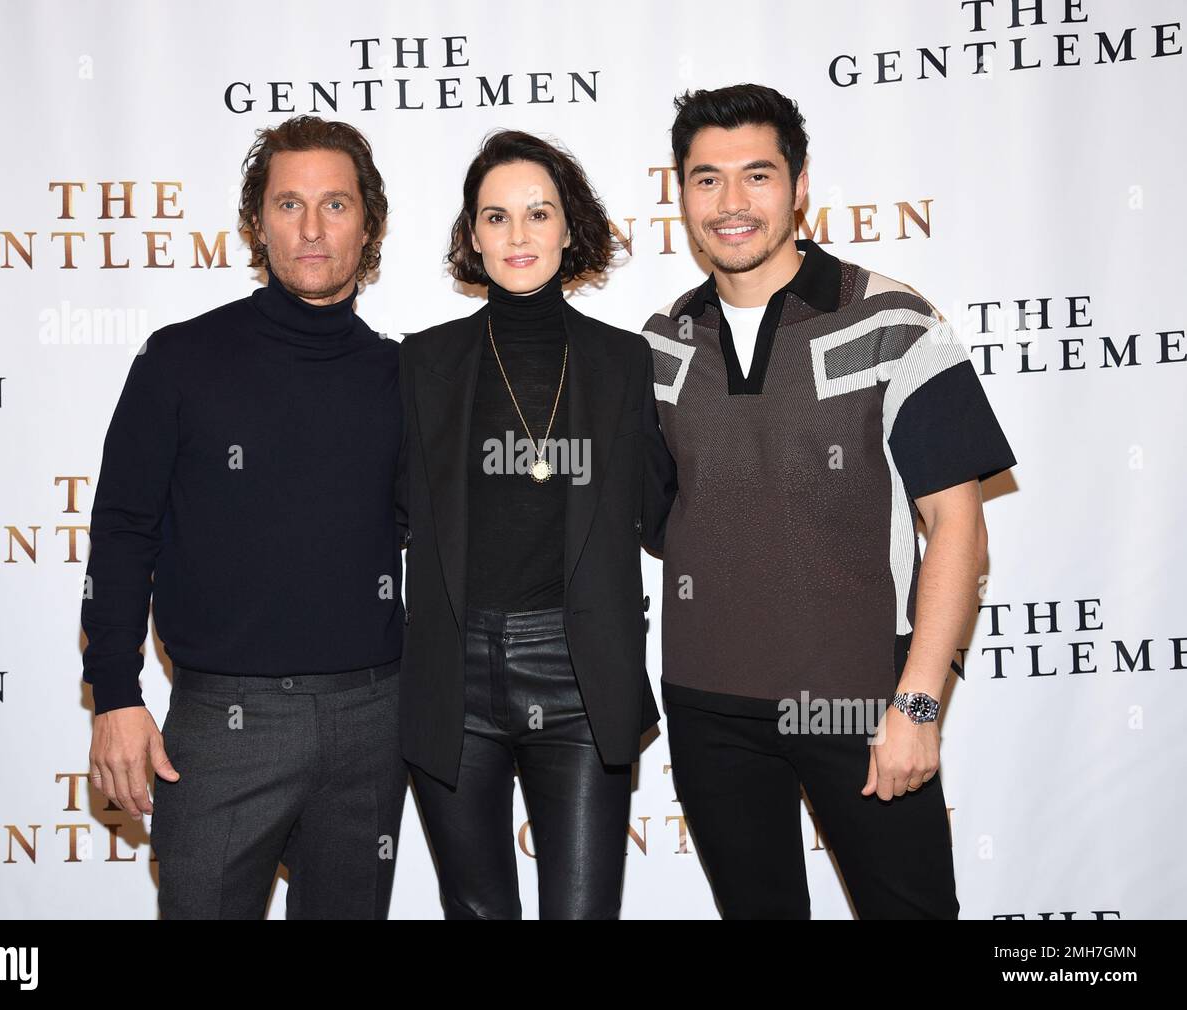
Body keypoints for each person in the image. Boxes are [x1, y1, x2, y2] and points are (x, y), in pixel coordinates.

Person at [642, 84, 1017, 919]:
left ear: (800, 184)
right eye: (706, 179)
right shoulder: (661, 342)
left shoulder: (895, 321)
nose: (731, 203)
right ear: (680, 192)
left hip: (861, 699)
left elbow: (957, 525)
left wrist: (919, 703)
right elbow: (662, 518)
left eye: (757, 175)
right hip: (710, 707)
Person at [81, 115, 406, 919]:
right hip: (222, 728)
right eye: (288, 204)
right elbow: (123, 530)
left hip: (374, 719)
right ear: (257, 221)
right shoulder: (180, 360)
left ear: (369, 223)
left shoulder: (406, 377)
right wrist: (115, 693)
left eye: (335, 204)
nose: (312, 226)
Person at [395, 129, 677, 919]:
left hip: (579, 672)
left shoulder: (624, 364)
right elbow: (381, 513)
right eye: (495, 217)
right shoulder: (422, 364)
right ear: (472, 236)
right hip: (453, 676)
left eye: (537, 213)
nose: (518, 236)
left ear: (568, 227)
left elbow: (667, 515)